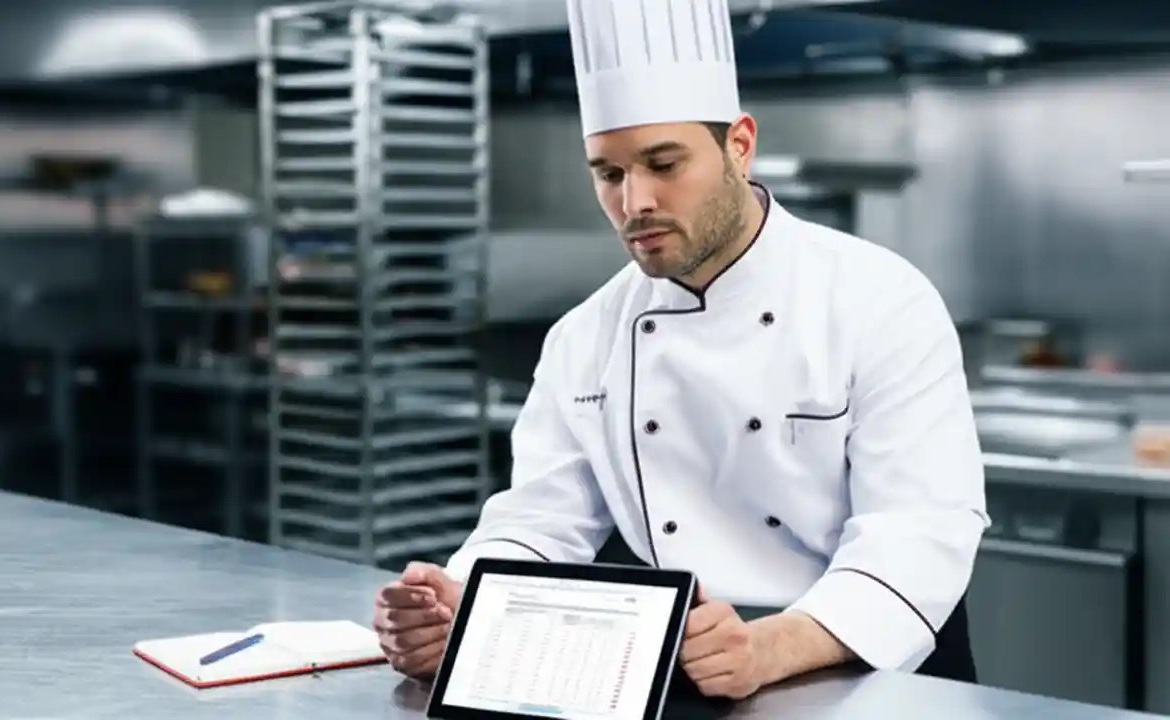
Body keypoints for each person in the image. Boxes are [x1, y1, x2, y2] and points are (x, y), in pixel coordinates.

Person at [373, 0, 988, 700]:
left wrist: (769, 647)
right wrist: (460, 604)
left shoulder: (880, 299)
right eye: (608, 173)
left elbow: (920, 534)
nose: (635, 202)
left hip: (870, 672)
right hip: (680, 671)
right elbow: (540, 521)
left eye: (664, 163)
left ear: (740, 145)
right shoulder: (587, 333)